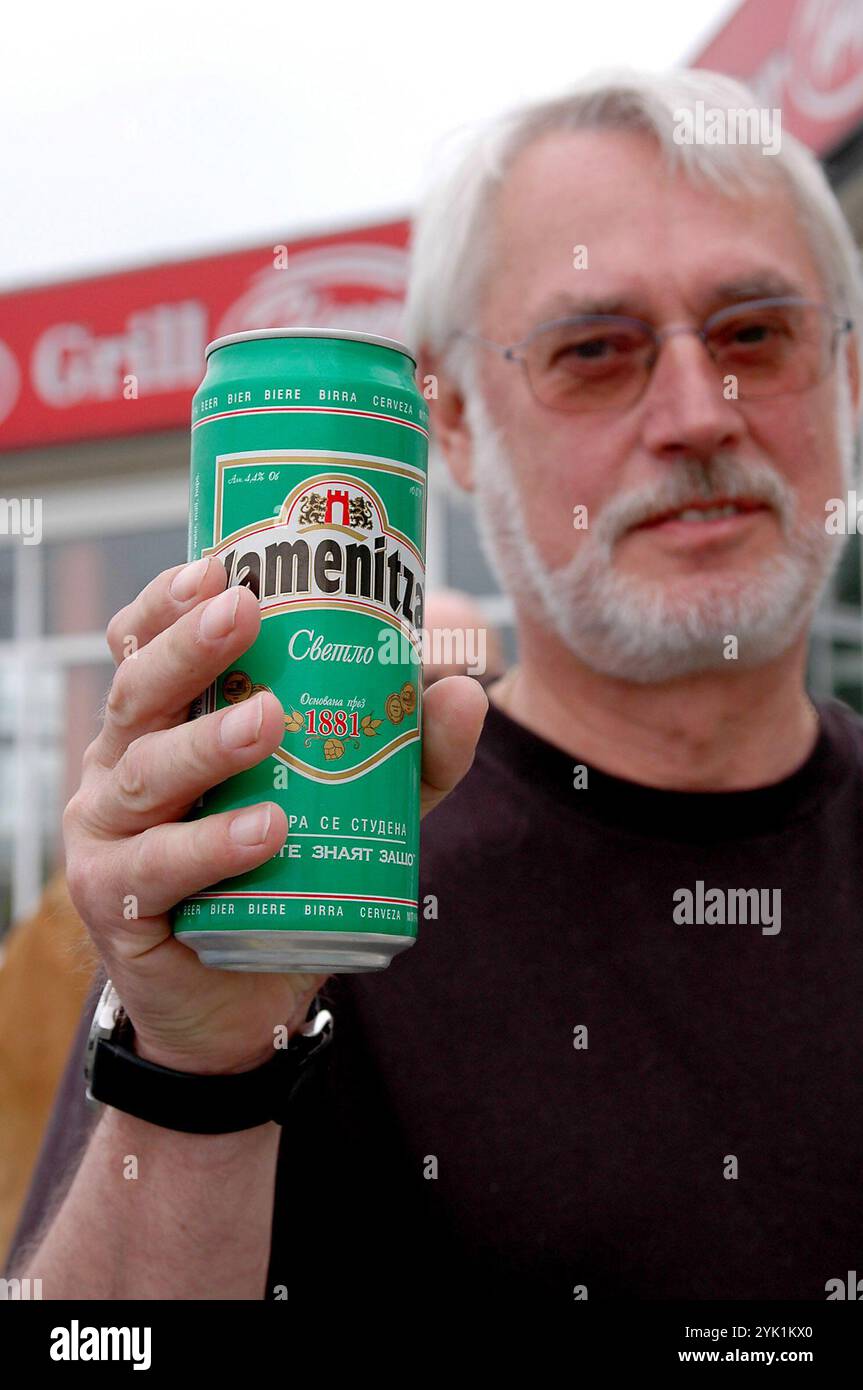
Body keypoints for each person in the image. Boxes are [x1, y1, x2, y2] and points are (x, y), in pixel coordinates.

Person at [6, 66, 863, 1303]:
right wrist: (198, 1080)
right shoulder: (276, 864)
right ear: (451, 424)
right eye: (592, 350)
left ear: (846, 376)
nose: (695, 414)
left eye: (753, 334)